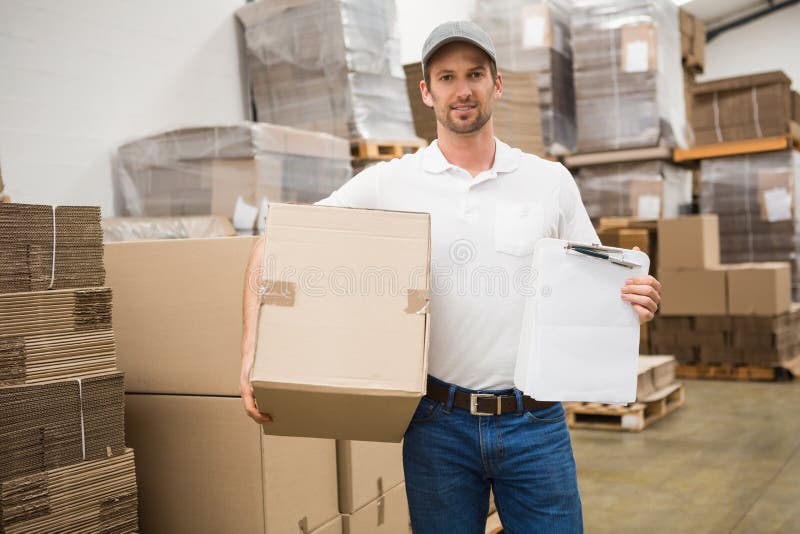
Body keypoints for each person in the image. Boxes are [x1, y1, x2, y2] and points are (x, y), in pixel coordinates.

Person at [240, 20, 661, 534]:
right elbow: (275, 243)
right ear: (426, 91)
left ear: (496, 83)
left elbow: (597, 283)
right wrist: (250, 356)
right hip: (438, 423)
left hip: (535, 421)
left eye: (475, 74)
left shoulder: (549, 182)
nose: (462, 90)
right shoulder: (391, 184)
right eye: (446, 77)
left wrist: (633, 297)